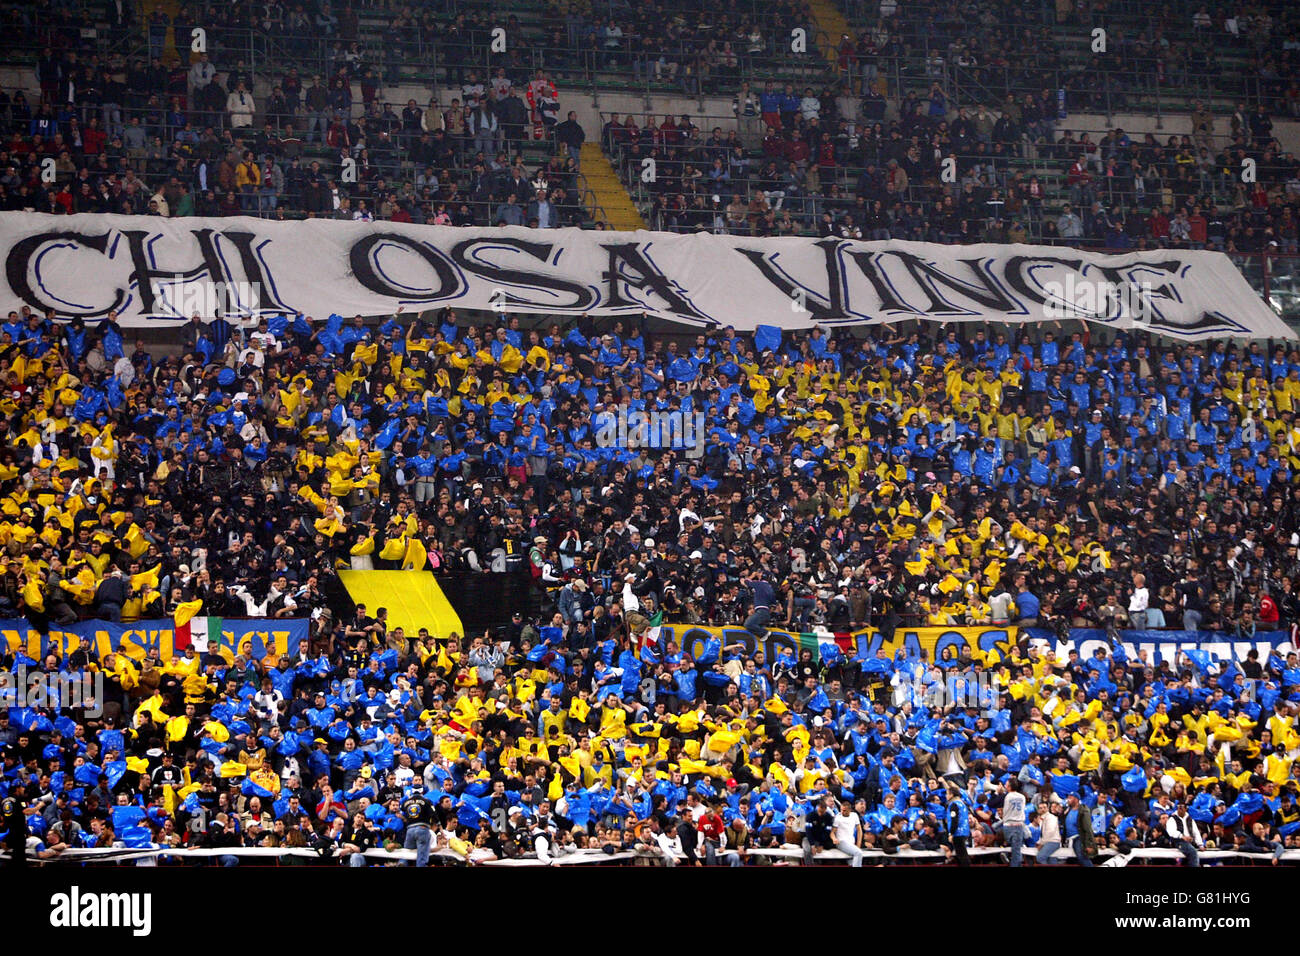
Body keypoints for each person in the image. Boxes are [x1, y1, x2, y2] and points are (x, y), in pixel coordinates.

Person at [1000, 779, 1026, 866]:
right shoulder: (1022, 797)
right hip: (1018, 824)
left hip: (1007, 825)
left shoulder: (1006, 796)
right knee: (1016, 850)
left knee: (1014, 849)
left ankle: (1006, 854)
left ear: (1009, 787)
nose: (1004, 786)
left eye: (1006, 784)